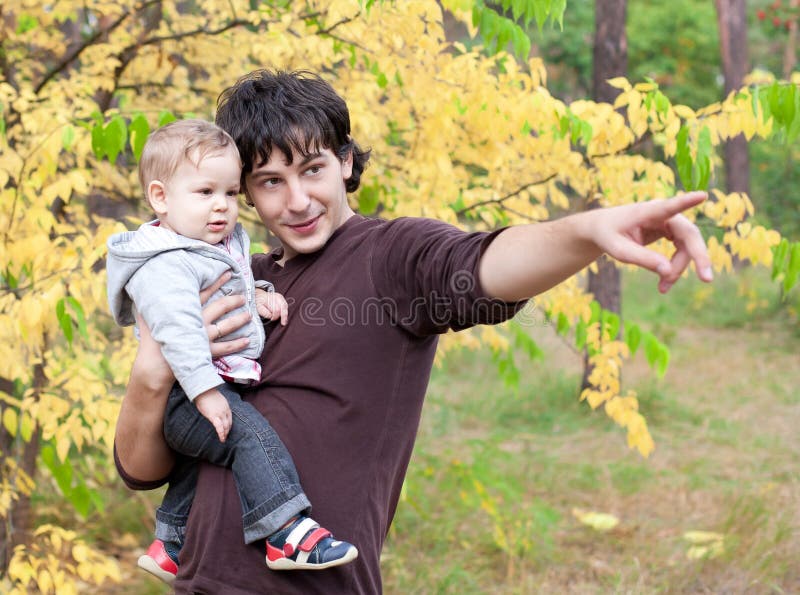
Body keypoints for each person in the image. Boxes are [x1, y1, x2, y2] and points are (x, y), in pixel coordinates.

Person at [112, 70, 713, 594]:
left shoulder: (389, 257)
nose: (297, 200)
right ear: (244, 191)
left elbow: (486, 265)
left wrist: (586, 231)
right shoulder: (234, 280)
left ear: (346, 162)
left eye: (313, 169)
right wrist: (151, 372)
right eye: (270, 181)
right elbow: (141, 470)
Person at [105, 118, 358, 585]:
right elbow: (179, 332)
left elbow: (223, 286)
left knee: (206, 457)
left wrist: (256, 294)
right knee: (249, 437)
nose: (221, 207)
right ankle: (285, 531)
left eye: (229, 193)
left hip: (199, 387)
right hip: (188, 394)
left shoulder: (205, 244)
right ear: (161, 198)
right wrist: (205, 393)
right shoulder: (164, 261)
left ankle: (171, 541)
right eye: (205, 193)